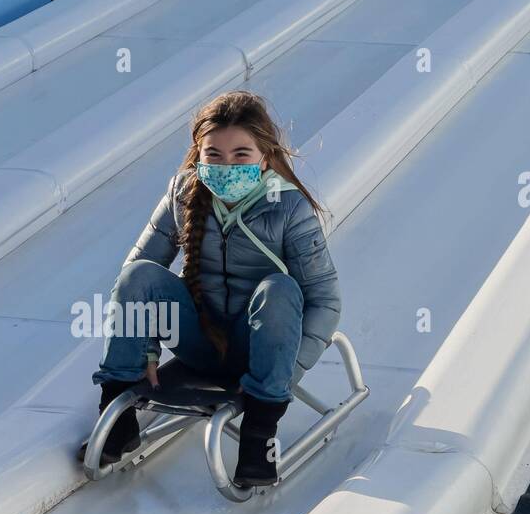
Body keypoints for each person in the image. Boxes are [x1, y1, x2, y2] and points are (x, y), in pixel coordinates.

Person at [80, 90, 342, 488]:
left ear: (265, 158)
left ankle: (258, 434)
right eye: (213, 156)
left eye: (241, 155)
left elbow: (325, 300)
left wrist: (286, 376)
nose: (226, 166)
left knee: (281, 289)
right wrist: (147, 347)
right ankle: (117, 419)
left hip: (259, 352)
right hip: (199, 340)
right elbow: (137, 273)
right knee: (139, 275)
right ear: (199, 157)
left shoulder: (287, 208)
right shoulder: (183, 193)